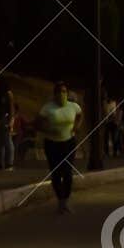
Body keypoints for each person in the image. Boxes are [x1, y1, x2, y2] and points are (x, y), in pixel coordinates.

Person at [36, 81, 82, 214]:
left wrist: (76, 126)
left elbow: (80, 114)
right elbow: (37, 124)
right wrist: (49, 130)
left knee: (67, 173)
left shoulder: (73, 106)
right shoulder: (47, 108)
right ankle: (60, 201)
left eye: (64, 92)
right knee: (56, 173)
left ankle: (65, 201)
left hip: (68, 143)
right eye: (59, 92)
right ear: (55, 95)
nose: (62, 94)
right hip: (52, 144)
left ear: (67, 94)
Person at [0, 80, 16, 170]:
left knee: (7, 141)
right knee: (0, 143)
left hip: (5, 119)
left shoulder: (8, 94)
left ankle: (9, 163)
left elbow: (11, 109)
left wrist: (11, 122)